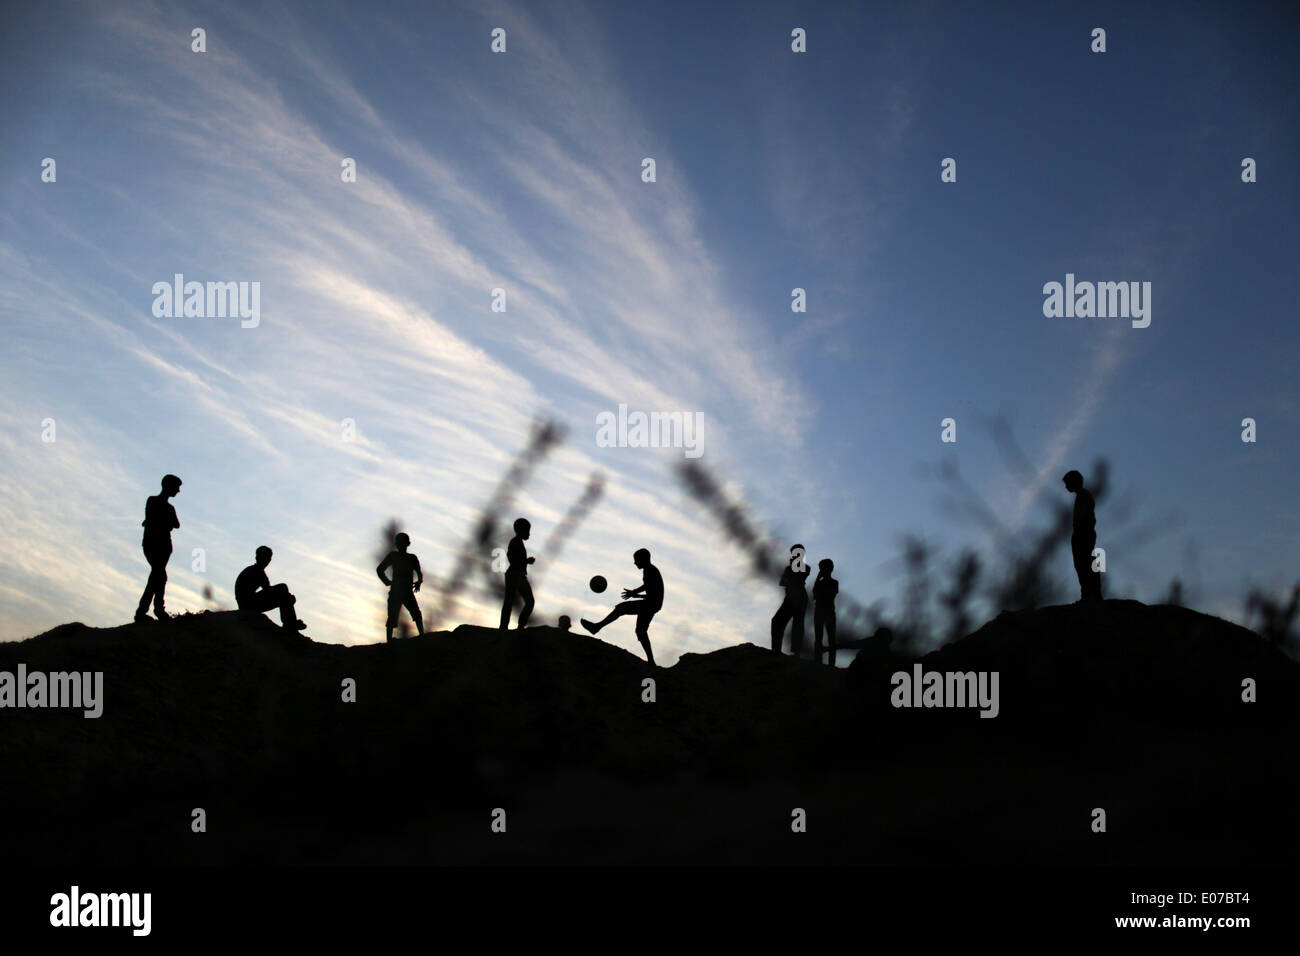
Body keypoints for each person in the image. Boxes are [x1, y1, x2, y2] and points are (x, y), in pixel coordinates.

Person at [581, 548, 662, 666]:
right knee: (640, 630)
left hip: (650, 604)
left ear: (643, 559)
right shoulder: (650, 570)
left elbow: (650, 589)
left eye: (636, 560)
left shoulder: (650, 570)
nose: (635, 563)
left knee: (621, 609)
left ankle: (597, 627)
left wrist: (634, 593)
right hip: (652, 604)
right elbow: (651, 590)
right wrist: (635, 594)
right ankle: (651, 661)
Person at [135, 474, 182, 623]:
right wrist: (162, 523)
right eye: (177, 487)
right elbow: (154, 520)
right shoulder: (153, 501)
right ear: (168, 486)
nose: (178, 491)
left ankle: (150, 610)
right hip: (152, 543)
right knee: (159, 575)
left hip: (164, 546)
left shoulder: (170, 508)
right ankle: (152, 610)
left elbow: (175, 524)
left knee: (158, 576)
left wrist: (160, 522)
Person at [235, 546, 306, 631]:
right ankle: (290, 623)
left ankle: (290, 623)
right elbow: (268, 591)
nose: (266, 560)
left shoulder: (257, 571)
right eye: (264, 557)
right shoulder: (255, 571)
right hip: (248, 605)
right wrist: (289, 600)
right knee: (283, 588)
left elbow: (269, 591)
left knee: (285, 596)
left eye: (267, 558)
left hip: (249, 603)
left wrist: (288, 599)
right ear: (257, 557)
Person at [1062, 470, 1103, 603]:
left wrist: (1081, 532)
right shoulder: (1081, 495)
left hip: (1083, 534)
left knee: (1086, 563)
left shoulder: (1084, 495)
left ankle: (1092, 594)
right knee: (1083, 564)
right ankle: (1088, 593)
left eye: (1067, 483)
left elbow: (1086, 517)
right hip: (1082, 533)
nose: (1066, 486)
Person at [377, 532, 423, 641]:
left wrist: (419, 581)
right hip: (397, 591)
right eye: (400, 543)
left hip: (406, 592)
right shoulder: (394, 556)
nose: (401, 545)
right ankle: (389, 642)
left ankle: (422, 636)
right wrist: (387, 581)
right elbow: (379, 569)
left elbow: (419, 573)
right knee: (393, 618)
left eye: (403, 543)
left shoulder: (411, 558)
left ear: (407, 544)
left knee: (416, 614)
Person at [771, 543, 810, 656]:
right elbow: (782, 582)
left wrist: (793, 569)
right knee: (777, 621)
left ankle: (796, 651)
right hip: (789, 598)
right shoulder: (789, 568)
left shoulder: (805, 567)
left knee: (797, 624)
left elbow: (799, 578)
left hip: (800, 598)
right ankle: (776, 649)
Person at [499, 517, 535, 630]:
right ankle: (508, 626)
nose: (529, 534)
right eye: (527, 531)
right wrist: (526, 561)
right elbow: (512, 559)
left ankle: (516, 625)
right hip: (515, 575)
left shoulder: (517, 542)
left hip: (518, 575)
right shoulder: (515, 542)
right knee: (519, 601)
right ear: (521, 530)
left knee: (516, 601)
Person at [812, 558, 839, 666]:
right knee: (818, 638)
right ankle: (818, 662)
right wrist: (817, 579)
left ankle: (831, 665)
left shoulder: (834, 582)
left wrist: (818, 583)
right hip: (819, 612)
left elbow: (830, 595)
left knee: (831, 639)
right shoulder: (820, 583)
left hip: (828, 612)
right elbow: (814, 595)